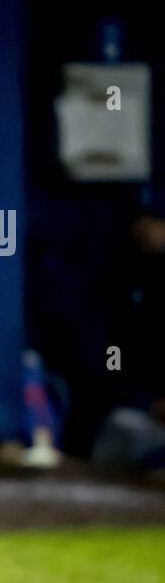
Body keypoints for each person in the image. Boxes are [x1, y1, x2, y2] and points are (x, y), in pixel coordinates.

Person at [91, 195, 165, 469]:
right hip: (144, 419)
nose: (151, 233)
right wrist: (149, 404)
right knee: (122, 429)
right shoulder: (124, 287)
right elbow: (113, 368)